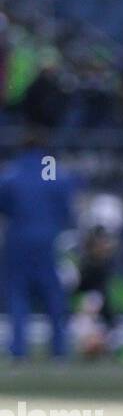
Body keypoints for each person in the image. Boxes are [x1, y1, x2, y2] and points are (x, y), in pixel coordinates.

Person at [1, 128, 75, 360]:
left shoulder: (12, 172)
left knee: (17, 295)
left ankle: (19, 350)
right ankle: (59, 349)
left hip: (18, 240)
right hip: (47, 241)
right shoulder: (54, 172)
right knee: (53, 295)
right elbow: (66, 207)